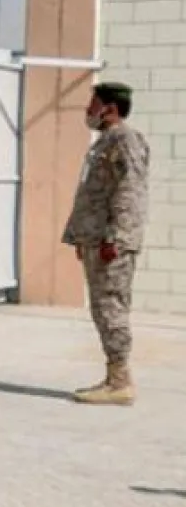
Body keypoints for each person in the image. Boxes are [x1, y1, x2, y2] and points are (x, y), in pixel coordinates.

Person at [62, 81, 150, 406]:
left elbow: (130, 192)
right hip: (96, 240)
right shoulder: (105, 142)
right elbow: (93, 195)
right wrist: (81, 235)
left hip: (111, 243)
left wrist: (117, 237)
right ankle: (114, 377)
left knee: (111, 307)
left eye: (93, 104)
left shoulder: (125, 140)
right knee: (103, 309)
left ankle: (120, 381)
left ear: (109, 108)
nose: (88, 110)